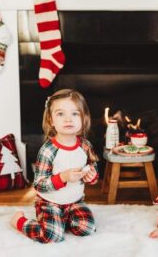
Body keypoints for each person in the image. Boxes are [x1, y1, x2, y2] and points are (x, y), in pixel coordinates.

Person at [10, 89, 99, 243]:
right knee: (52, 236)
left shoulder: (85, 146)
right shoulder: (48, 150)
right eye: (60, 114)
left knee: (87, 228)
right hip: (49, 203)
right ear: (51, 120)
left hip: (74, 202)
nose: (68, 119)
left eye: (75, 114)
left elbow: (93, 168)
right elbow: (39, 185)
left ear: (83, 118)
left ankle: (62, 220)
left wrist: (92, 176)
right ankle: (19, 221)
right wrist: (63, 177)